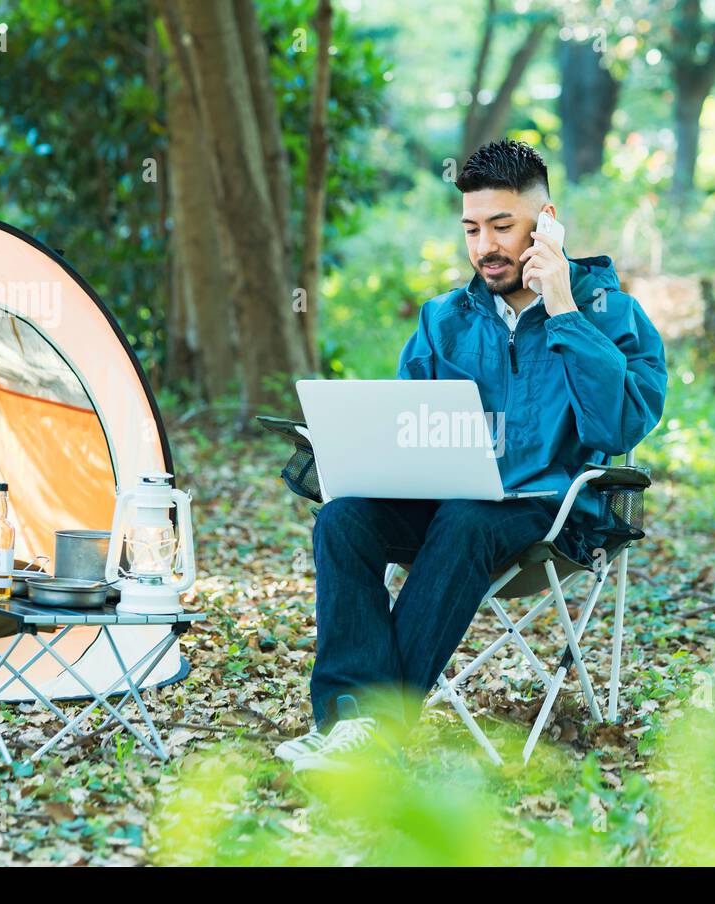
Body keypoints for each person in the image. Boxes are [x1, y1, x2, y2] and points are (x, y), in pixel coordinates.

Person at [280, 140, 668, 771]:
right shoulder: (443, 321)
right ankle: (352, 719)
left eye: (502, 226)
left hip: (553, 513)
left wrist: (563, 308)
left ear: (547, 223)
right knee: (343, 518)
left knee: (466, 518)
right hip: (450, 506)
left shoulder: (612, 315)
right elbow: (407, 428)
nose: (485, 245)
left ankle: (369, 732)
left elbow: (620, 421)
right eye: (472, 228)